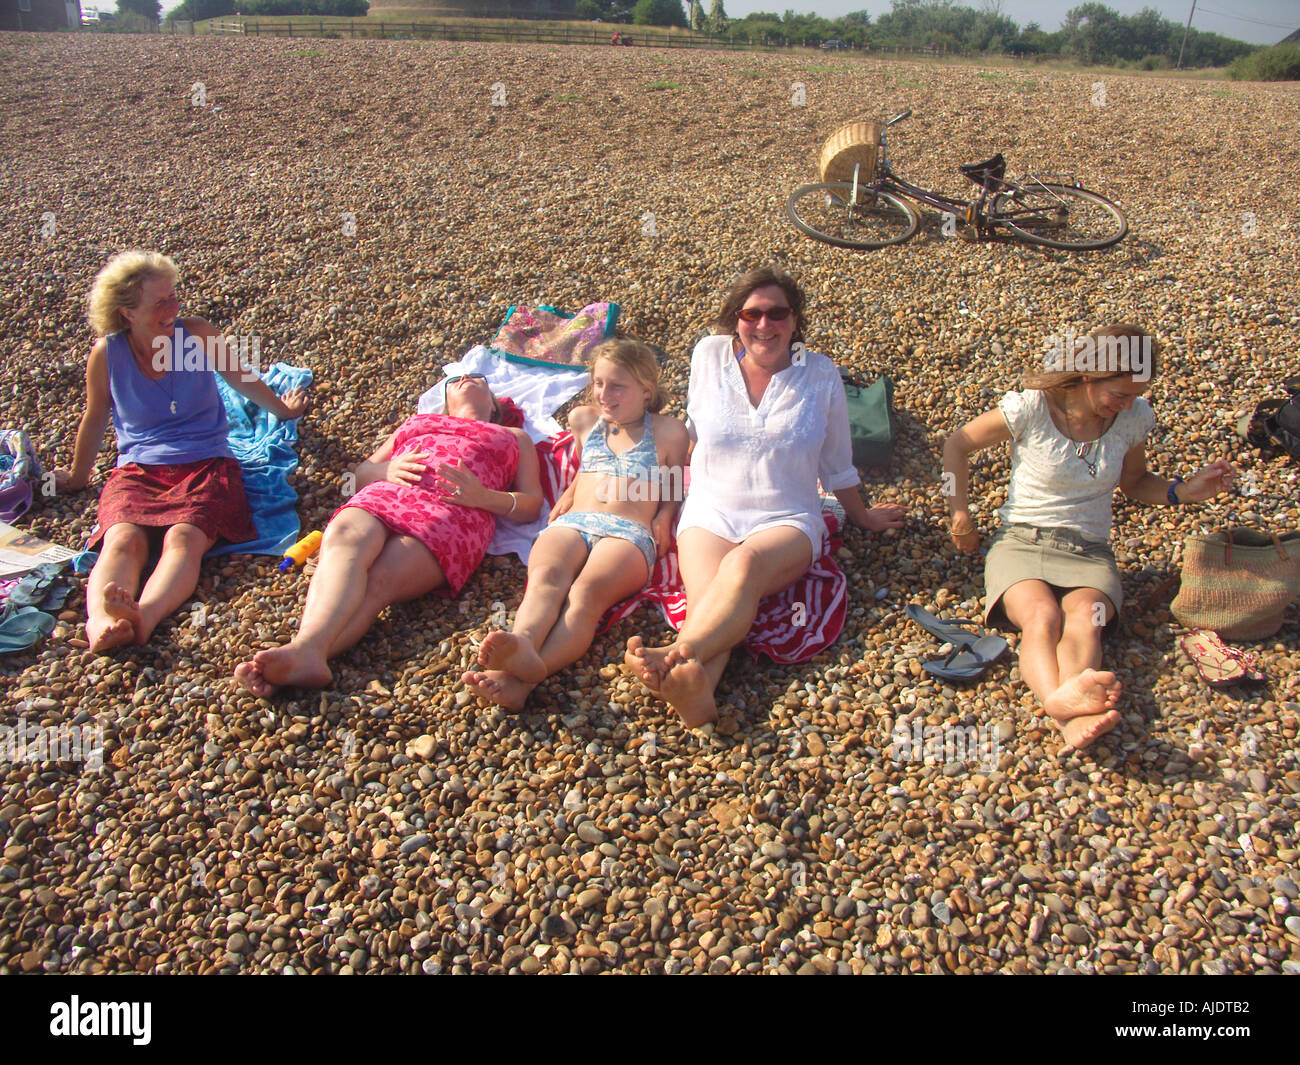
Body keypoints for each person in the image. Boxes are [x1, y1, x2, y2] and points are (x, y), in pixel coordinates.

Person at [625, 267, 908, 726]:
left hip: (787, 517)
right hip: (711, 508)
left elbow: (837, 463)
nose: (764, 325)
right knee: (706, 601)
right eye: (751, 313)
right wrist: (667, 507)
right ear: (735, 319)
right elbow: (691, 439)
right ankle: (696, 693)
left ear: (794, 321)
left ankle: (675, 653)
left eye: (777, 313)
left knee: (742, 568)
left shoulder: (819, 374)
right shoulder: (708, 356)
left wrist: (864, 516)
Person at [942, 323, 1234, 749]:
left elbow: (1135, 484)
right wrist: (959, 512)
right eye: (1119, 393)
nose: (1126, 404)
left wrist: (1183, 492)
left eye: (1135, 395)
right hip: (1022, 541)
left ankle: (1065, 711)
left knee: (1087, 621)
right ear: (1090, 374)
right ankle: (1063, 711)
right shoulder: (1031, 409)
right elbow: (957, 445)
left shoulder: (1131, 419)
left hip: (1090, 551)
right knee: (1041, 619)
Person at [54, 250, 310, 653]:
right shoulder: (108, 353)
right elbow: (96, 415)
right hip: (139, 468)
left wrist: (283, 410)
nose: (173, 309)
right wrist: (77, 478)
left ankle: (145, 616)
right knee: (122, 538)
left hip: (206, 462)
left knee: (184, 539)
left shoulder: (196, 335)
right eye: (159, 303)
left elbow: (241, 378)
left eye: (173, 297)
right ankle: (101, 623)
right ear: (126, 313)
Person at [235, 372, 542, 696]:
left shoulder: (513, 436)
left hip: (454, 513)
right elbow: (360, 472)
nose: (465, 377)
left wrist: (484, 497)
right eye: (455, 378)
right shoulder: (419, 422)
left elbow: (532, 505)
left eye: (476, 377)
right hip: (387, 493)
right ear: (445, 401)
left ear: (493, 404)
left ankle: (303, 654)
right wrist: (384, 471)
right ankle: (305, 654)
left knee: (379, 581)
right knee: (342, 542)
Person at [464, 339, 689, 711]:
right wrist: (569, 492)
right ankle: (521, 649)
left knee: (584, 595)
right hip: (575, 521)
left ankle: (533, 669)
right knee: (544, 581)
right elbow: (584, 468)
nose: (604, 393)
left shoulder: (669, 431)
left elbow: (673, 483)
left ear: (646, 391)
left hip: (628, 531)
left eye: (617, 386)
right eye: (598, 383)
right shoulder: (584, 420)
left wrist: (664, 516)